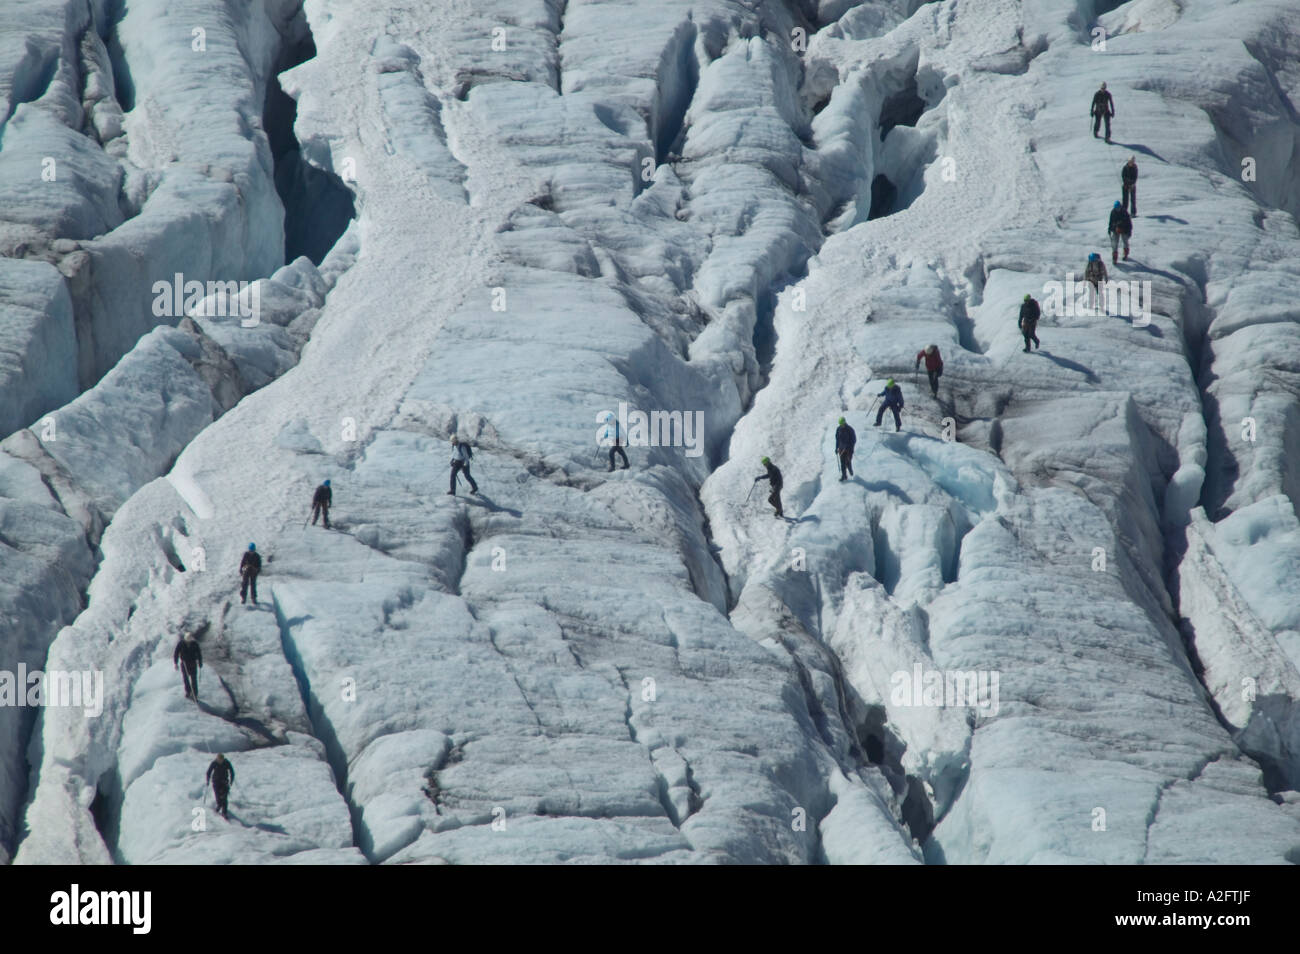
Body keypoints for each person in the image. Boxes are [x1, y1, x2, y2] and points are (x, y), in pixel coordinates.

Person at [173, 632, 202, 701]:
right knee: (186, 679)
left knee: (194, 679)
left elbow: (199, 653)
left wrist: (200, 662)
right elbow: (176, 653)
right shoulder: (181, 644)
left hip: (193, 663)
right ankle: (188, 692)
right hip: (184, 663)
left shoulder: (195, 644)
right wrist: (176, 663)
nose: (188, 642)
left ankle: (195, 694)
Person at [206, 753, 235, 819]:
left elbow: (232, 771)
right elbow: (208, 772)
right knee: (218, 795)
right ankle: (219, 805)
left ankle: (224, 812)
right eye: (219, 760)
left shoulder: (226, 763)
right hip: (216, 782)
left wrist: (231, 780)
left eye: (221, 760)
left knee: (224, 797)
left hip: (224, 782)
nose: (220, 761)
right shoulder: (214, 763)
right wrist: (207, 780)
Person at [1108, 200, 1132, 264]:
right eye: (1116, 208)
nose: (1117, 209)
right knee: (1114, 243)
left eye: (1118, 208)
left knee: (1125, 241)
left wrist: (1129, 231)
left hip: (1124, 229)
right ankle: (1114, 257)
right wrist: (1110, 229)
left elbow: (1128, 222)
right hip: (1115, 229)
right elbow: (1111, 222)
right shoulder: (1113, 212)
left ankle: (1125, 253)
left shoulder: (1124, 212)